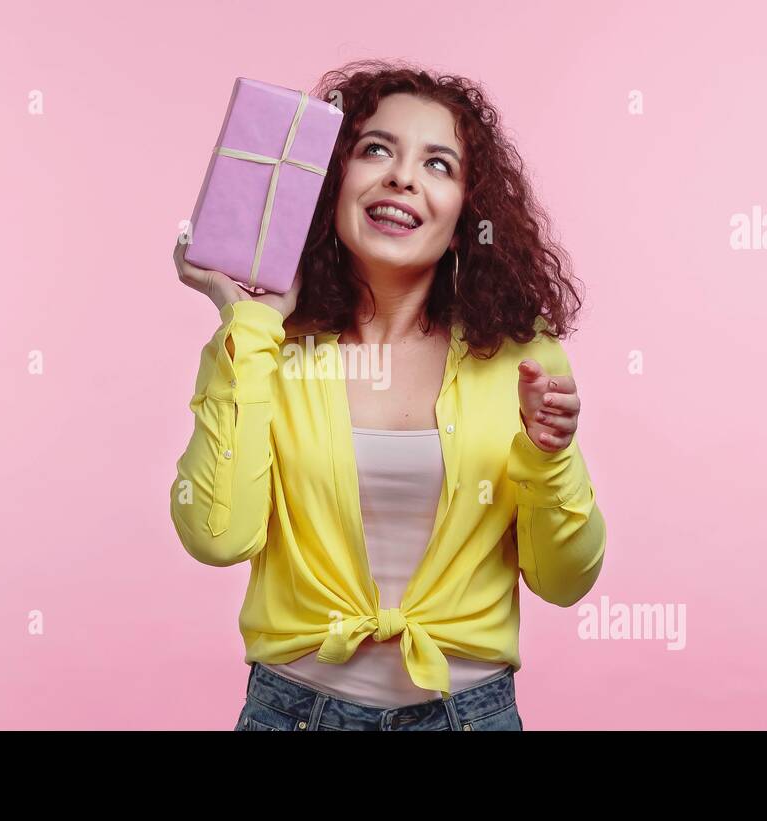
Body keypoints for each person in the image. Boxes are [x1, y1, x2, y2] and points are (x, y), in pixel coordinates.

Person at [171, 59, 607, 731]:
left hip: (471, 716)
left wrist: (550, 457)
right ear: (334, 180)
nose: (402, 175)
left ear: (466, 218)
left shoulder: (523, 358)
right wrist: (248, 321)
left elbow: (564, 581)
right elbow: (217, 535)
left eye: (439, 165)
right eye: (376, 149)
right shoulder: (266, 348)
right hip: (294, 713)